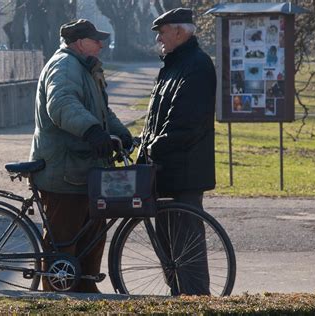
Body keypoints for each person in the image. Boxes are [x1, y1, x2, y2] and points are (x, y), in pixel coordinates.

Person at [29, 19, 132, 293]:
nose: (101, 44)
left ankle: (86, 288)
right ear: (79, 42)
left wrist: (122, 135)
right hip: (64, 171)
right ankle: (56, 296)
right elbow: (61, 104)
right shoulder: (64, 66)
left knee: (92, 233)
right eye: (96, 40)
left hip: (85, 170)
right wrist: (92, 132)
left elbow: (103, 112)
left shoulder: (86, 68)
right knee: (63, 241)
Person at [137, 8, 216, 295]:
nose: (158, 37)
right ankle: (179, 296)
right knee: (169, 248)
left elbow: (186, 122)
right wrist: (144, 143)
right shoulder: (173, 65)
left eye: (163, 31)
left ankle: (195, 301)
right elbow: (156, 118)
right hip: (166, 171)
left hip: (185, 172)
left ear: (180, 32)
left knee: (185, 247)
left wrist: (153, 145)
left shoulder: (196, 66)